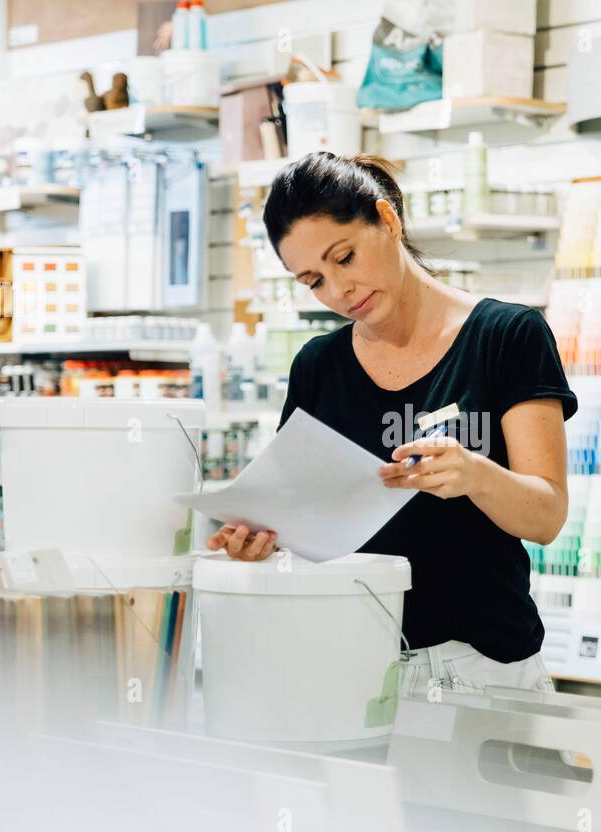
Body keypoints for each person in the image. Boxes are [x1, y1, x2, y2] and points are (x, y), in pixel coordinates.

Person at [207, 152, 578, 697]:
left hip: (483, 666)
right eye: (313, 280)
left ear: (388, 219)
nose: (338, 291)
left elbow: (546, 516)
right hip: (352, 663)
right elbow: (305, 518)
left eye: (345, 258)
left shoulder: (506, 336)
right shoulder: (318, 366)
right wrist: (262, 541)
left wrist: (475, 475)